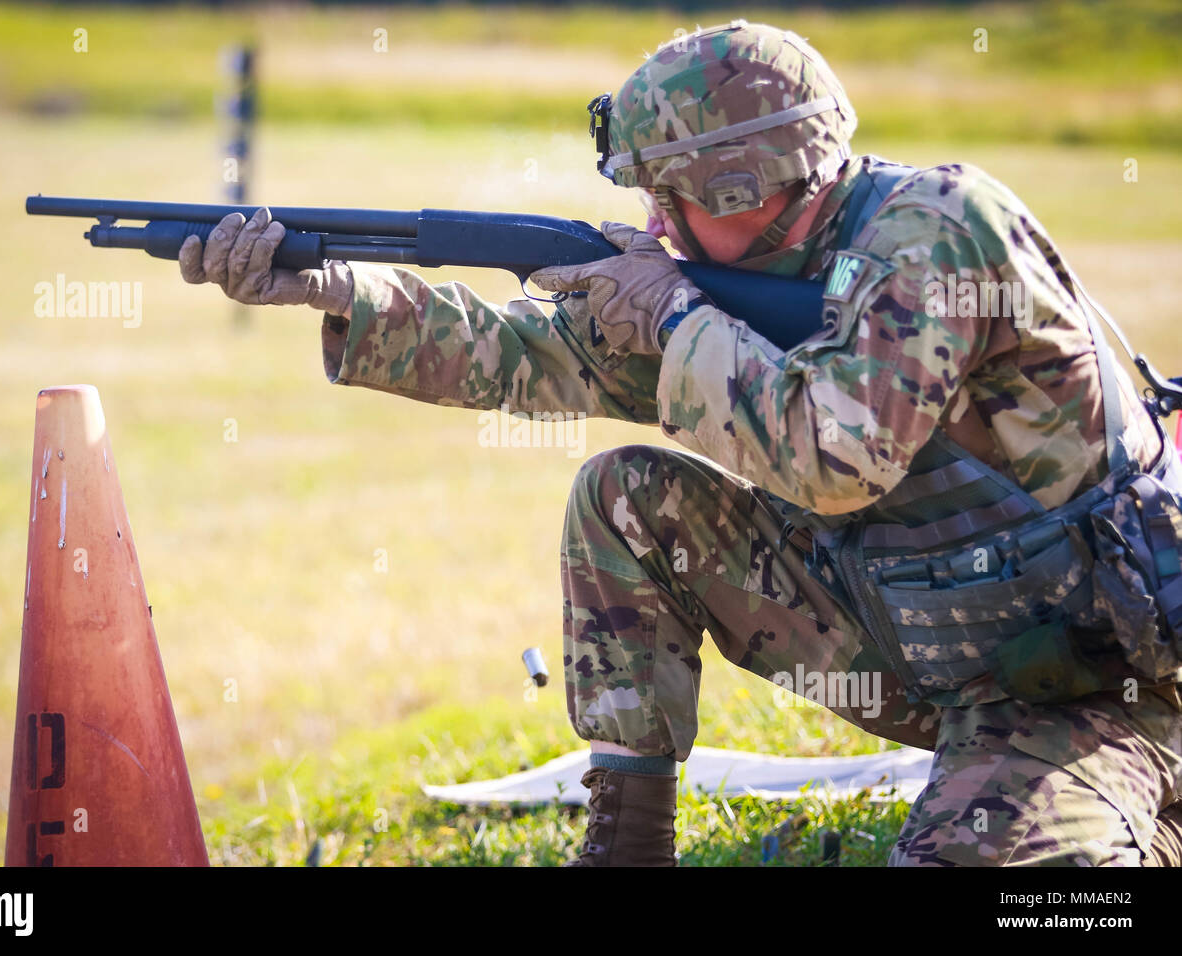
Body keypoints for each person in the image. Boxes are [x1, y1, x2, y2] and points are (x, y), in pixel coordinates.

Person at [179, 21, 1182, 867]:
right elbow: (523, 354)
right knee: (625, 496)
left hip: (1091, 679)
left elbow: (835, 457)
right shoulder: (722, 280)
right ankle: (625, 838)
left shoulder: (940, 231)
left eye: (670, 193)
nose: (650, 219)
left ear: (748, 187)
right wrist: (332, 287)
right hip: (923, 646)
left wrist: (670, 319)